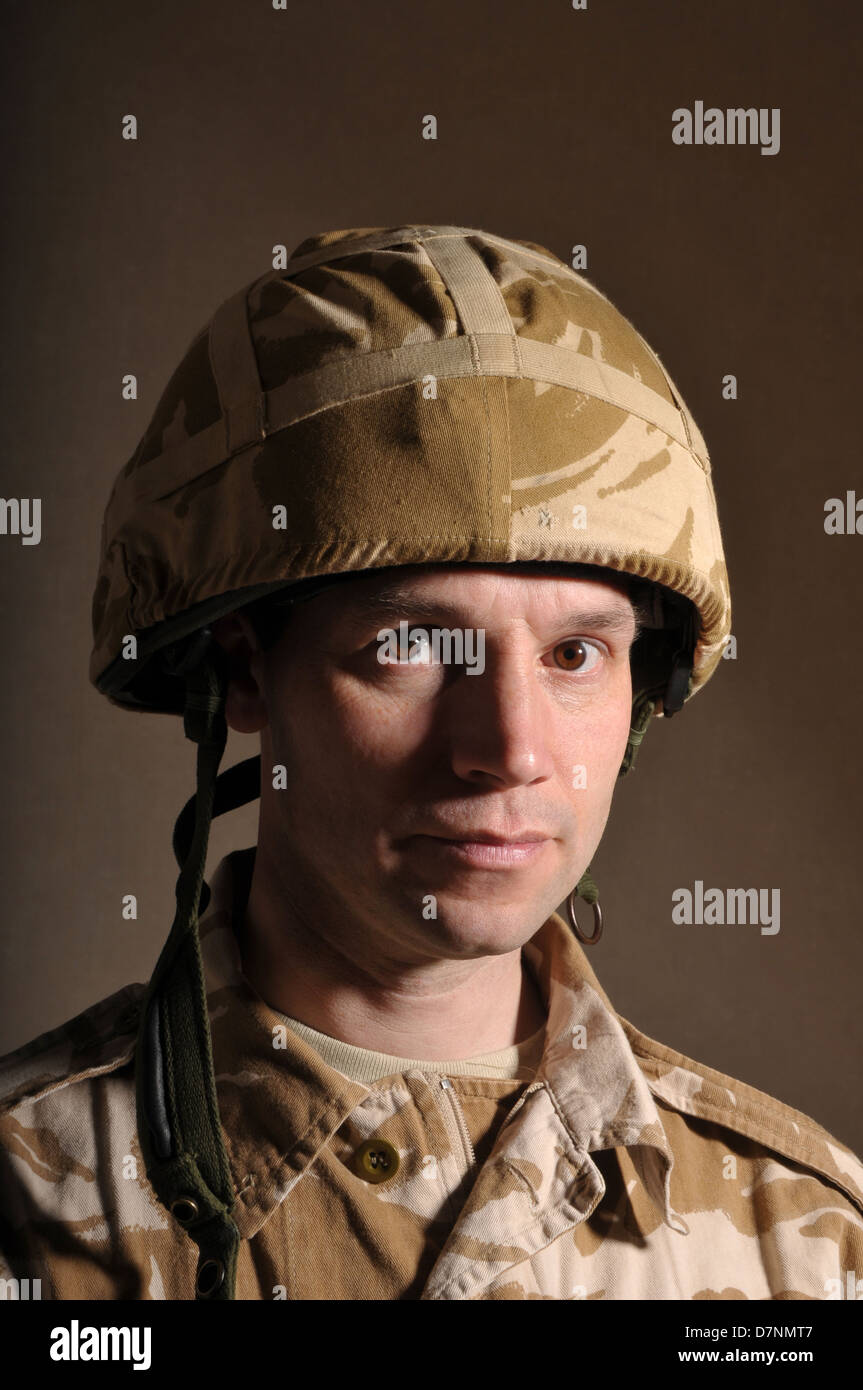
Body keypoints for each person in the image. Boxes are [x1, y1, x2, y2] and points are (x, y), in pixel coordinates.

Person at [1, 223, 861, 1302]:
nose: (507, 748)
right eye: (411, 646)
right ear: (247, 670)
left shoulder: (802, 1236)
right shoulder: (26, 1206)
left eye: (574, 653)